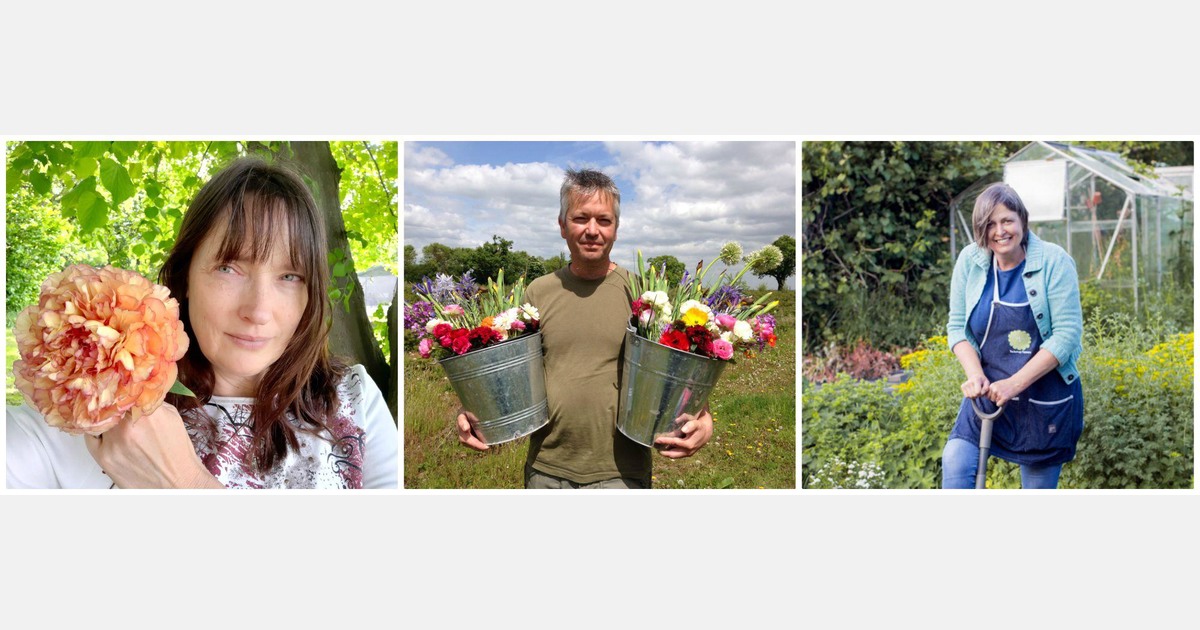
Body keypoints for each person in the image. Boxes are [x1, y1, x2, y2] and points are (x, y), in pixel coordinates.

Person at [6, 157, 398, 489]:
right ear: (185, 276)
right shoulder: (98, 411)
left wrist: (186, 485)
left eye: (289, 276)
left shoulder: (354, 401)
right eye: (229, 268)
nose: (258, 311)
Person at [455, 169, 714, 488]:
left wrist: (705, 419)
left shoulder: (644, 295)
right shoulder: (538, 292)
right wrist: (473, 412)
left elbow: (677, 370)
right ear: (562, 225)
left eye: (604, 220)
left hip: (622, 473)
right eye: (581, 218)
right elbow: (505, 372)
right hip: (547, 470)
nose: (592, 230)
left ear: (616, 229)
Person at [943, 182, 1084, 489]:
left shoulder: (1053, 262)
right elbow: (957, 327)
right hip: (988, 396)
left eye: (1007, 220)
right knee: (955, 463)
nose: (999, 231)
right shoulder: (971, 261)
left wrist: (1014, 384)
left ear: (1022, 219)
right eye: (990, 224)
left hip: (1044, 398)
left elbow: (1067, 335)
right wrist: (976, 374)